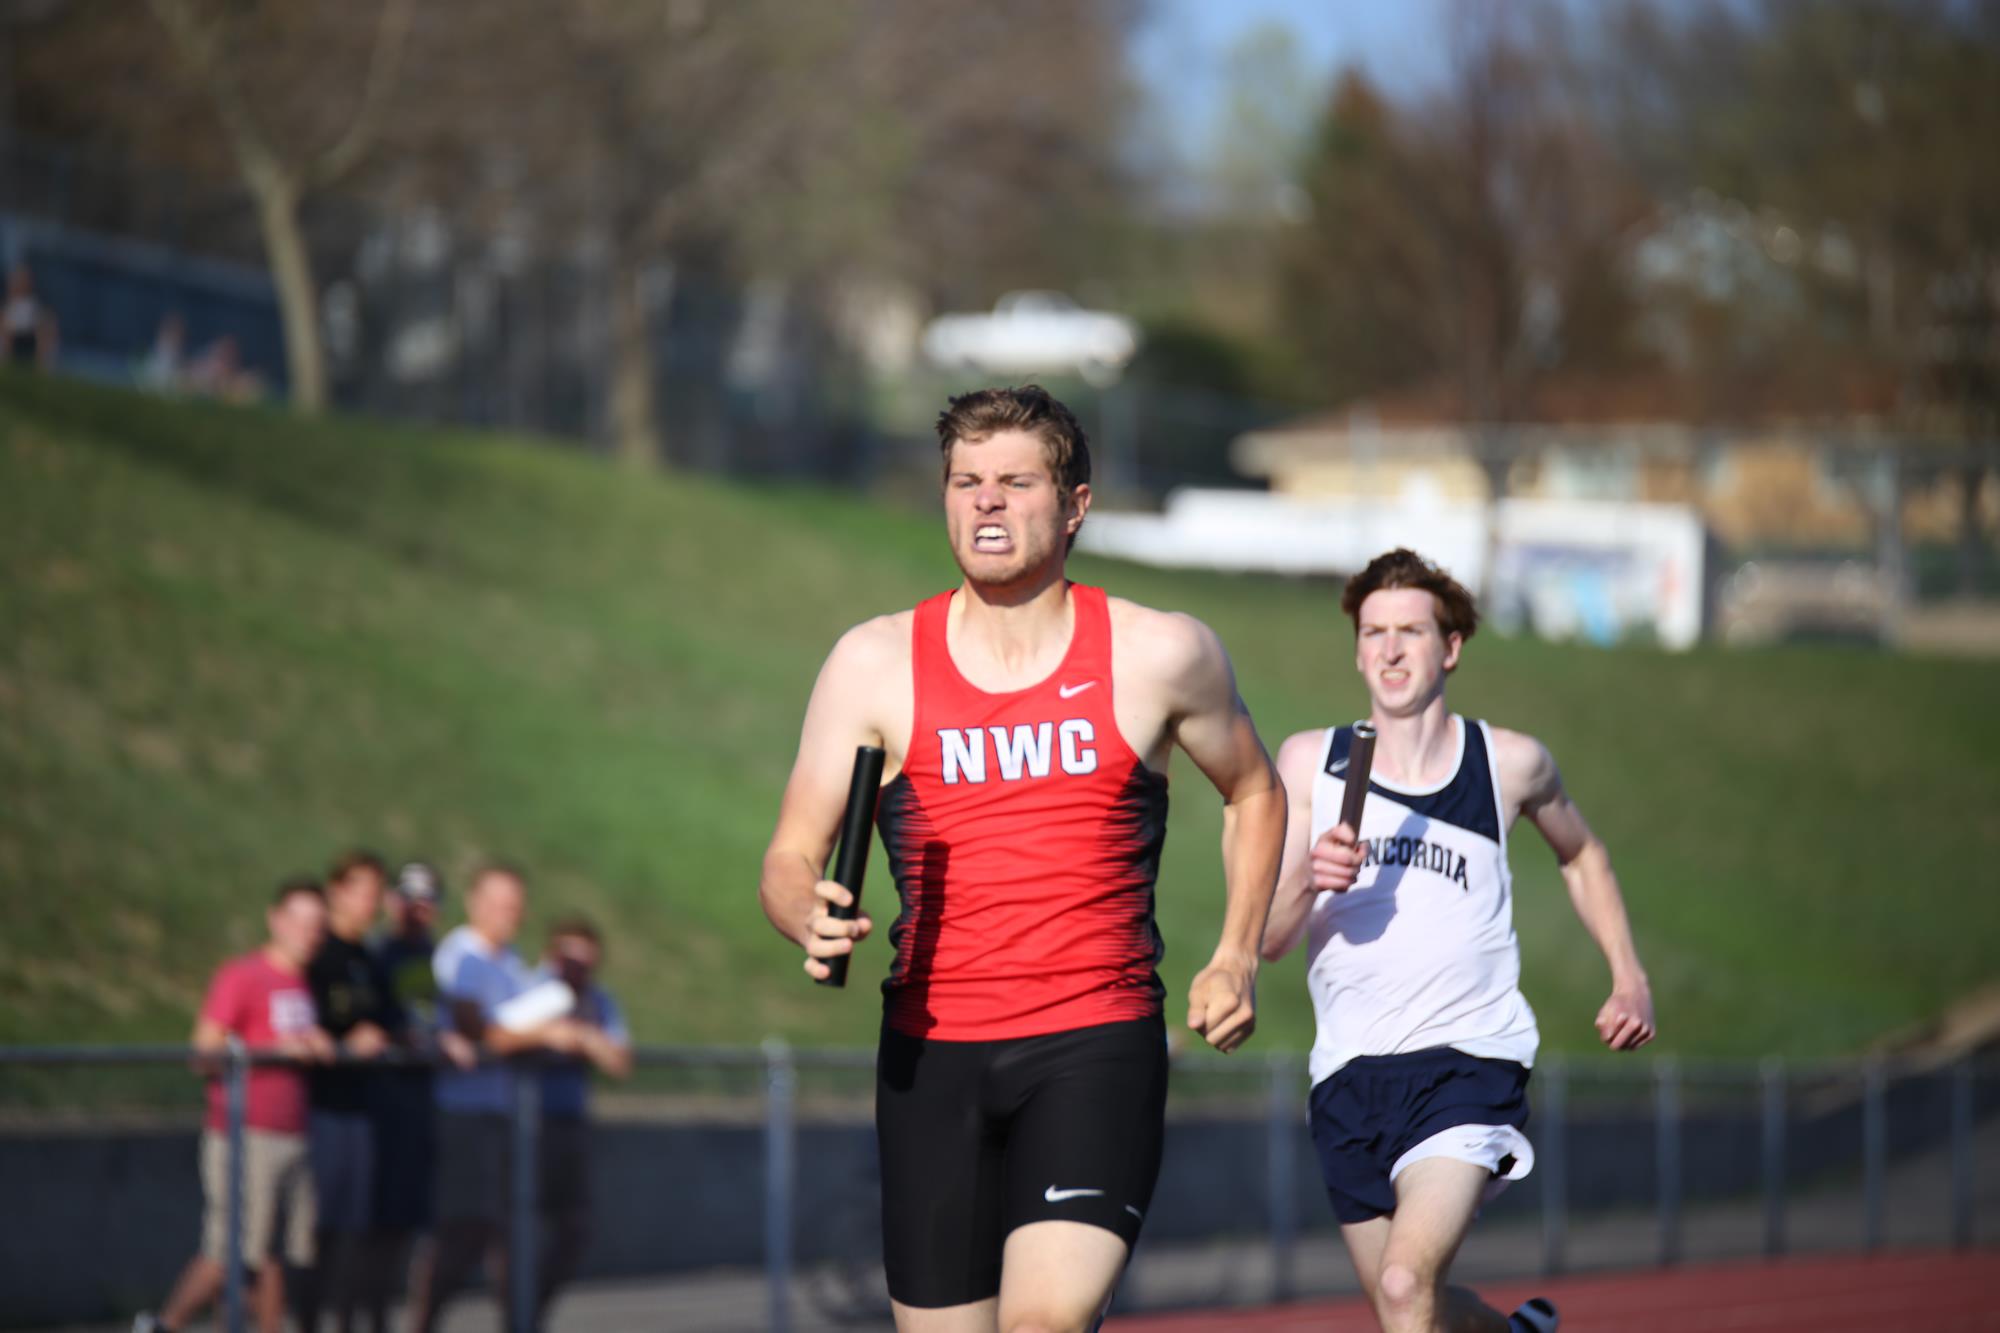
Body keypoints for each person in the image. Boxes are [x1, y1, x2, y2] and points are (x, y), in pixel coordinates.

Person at [760, 385, 1285, 1331]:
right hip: (929, 1058)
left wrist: (1236, 950)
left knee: (1043, 1320)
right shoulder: (873, 662)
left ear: (1075, 503)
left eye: (1013, 480)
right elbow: (789, 856)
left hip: (1093, 1039)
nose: (985, 501)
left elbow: (1254, 789)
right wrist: (806, 908)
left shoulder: (1158, 653)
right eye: (965, 481)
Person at [1261, 549, 1658, 1333]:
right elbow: (1268, 939)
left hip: (1467, 1060)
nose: (1391, 649)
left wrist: (1628, 974)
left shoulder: (1507, 763)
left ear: (1450, 647)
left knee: (1406, 1282)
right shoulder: (1315, 763)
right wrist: (1311, 877)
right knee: (1411, 1306)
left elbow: (1582, 854)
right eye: (1374, 631)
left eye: (1411, 630)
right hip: (1348, 1072)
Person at [135, 879, 335, 1333]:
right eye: (300, 922)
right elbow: (203, 1052)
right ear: (276, 920)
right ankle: (162, 1326)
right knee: (231, 1252)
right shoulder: (244, 975)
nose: (309, 933)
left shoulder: (304, 982)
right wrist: (280, 1049)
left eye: (317, 925)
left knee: (273, 1254)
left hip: (293, 1134)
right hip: (246, 1132)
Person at [411, 864, 595, 1333]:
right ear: (474, 903)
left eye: (514, 906)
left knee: (509, 1235)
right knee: (462, 1232)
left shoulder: (511, 963)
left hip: (506, 1112)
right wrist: (545, 1032)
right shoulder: (460, 957)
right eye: (497, 904)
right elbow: (486, 1035)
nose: (506, 914)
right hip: (463, 1112)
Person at [300, 851, 401, 1333]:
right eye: (362, 890)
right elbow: (306, 1027)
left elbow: (386, 1021)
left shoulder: (368, 957)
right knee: (312, 1234)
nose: (371, 902)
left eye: (377, 892)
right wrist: (343, 1044)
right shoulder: (319, 955)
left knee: (351, 1234)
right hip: (321, 1108)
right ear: (336, 891)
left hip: (361, 1110)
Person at [531, 917, 633, 1326]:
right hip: (523, 1123)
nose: (576, 972)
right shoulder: (532, 989)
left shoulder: (597, 1000)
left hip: (568, 1124)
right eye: (568, 961)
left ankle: (530, 1314)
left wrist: (586, 1039)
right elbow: (502, 1033)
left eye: (585, 965)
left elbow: (620, 1060)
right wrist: (550, 1033)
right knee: (514, 1233)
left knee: (574, 1229)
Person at [4, 264, 58, 370]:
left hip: (29, 341)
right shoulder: (9, 307)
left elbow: (44, 326)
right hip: (14, 341)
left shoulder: (35, 306)